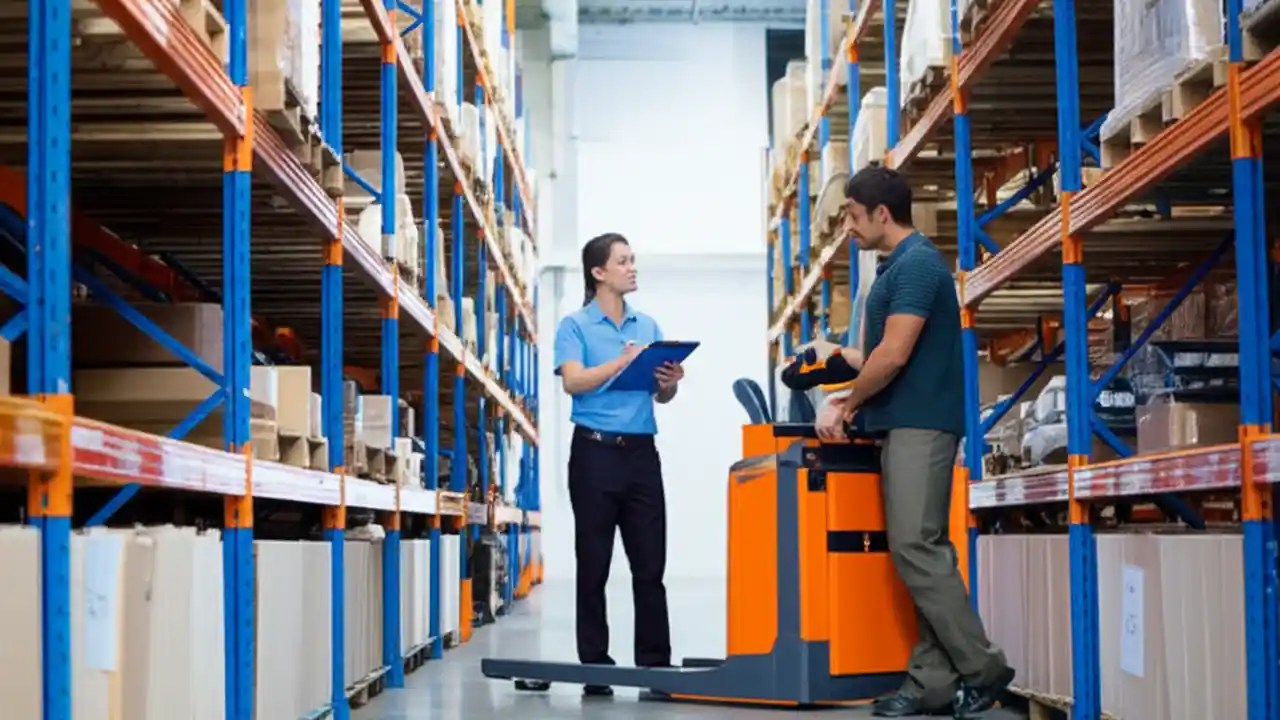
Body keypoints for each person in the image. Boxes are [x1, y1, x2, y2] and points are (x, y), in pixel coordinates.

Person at [816, 166, 1015, 717]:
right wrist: (838, 359)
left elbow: (895, 352)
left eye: (853, 217)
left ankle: (984, 668)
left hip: (920, 425)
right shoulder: (897, 268)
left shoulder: (917, 266)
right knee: (921, 550)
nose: (848, 230)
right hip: (904, 421)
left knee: (915, 548)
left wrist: (847, 401)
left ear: (882, 214)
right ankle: (931, 683)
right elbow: (885, 351)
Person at [553, 232, 684, 696]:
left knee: (650, 565)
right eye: (623, 261)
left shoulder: (647, 326)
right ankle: (596, 668)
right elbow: (573, 382)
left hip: (641, 455)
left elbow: (660, 395)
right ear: (598, 272)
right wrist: (620, 363)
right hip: (593, 454)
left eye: (633, 260)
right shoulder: (574, 327)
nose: (632, 267)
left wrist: (668, 382)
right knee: (594, 566)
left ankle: (655, 666)